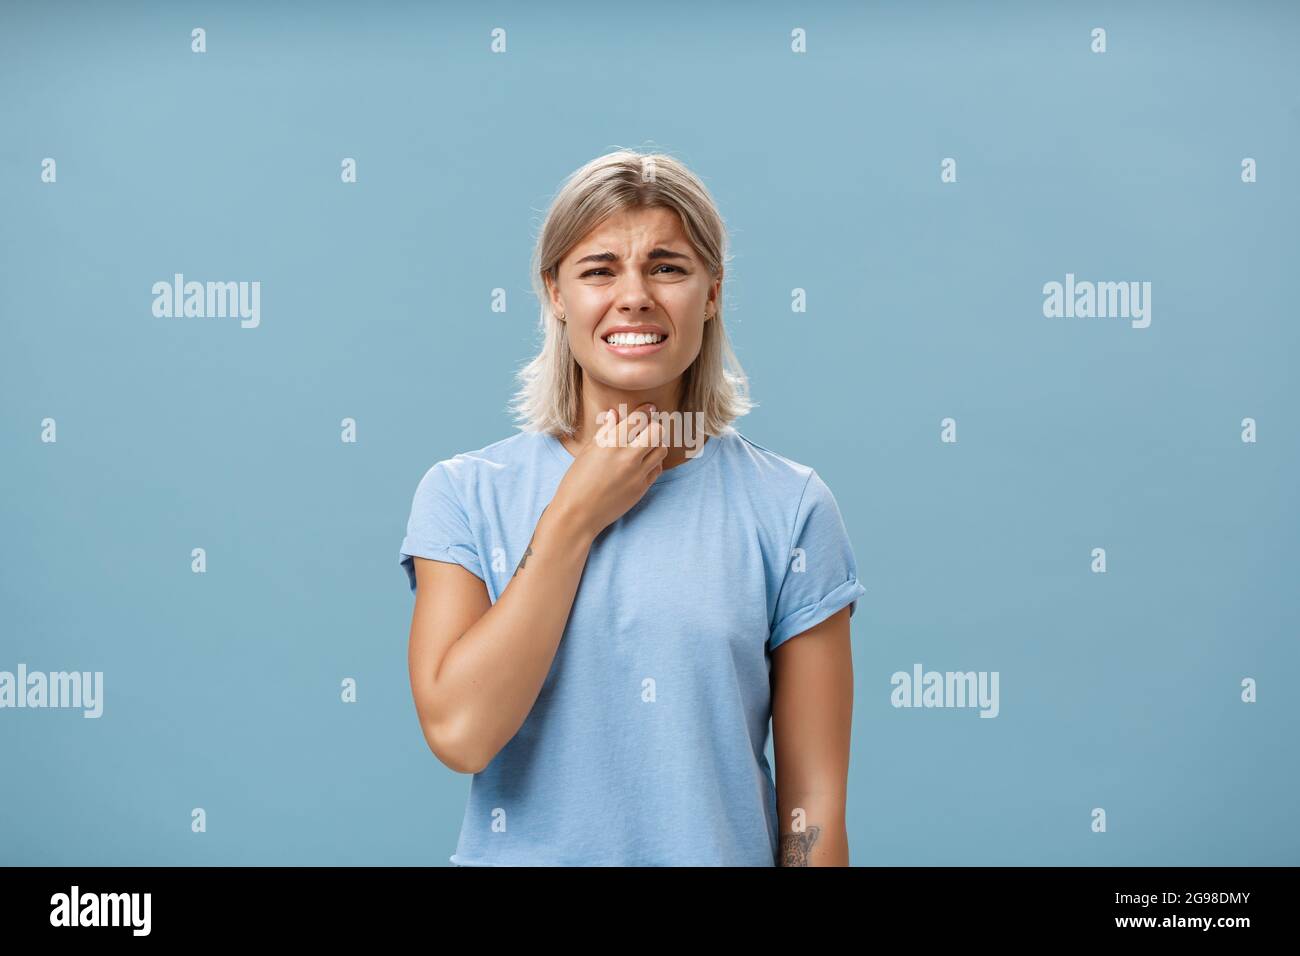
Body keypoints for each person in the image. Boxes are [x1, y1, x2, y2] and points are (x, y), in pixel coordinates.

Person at [400, 149, 866, 866]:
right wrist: (574, 515)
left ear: (712, 292)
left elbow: (815, 816)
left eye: (667, 267)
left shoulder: (791, 507)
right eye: (599, 270)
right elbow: (462, 734)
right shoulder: (464, 493)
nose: (634, 296)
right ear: (555, 294)